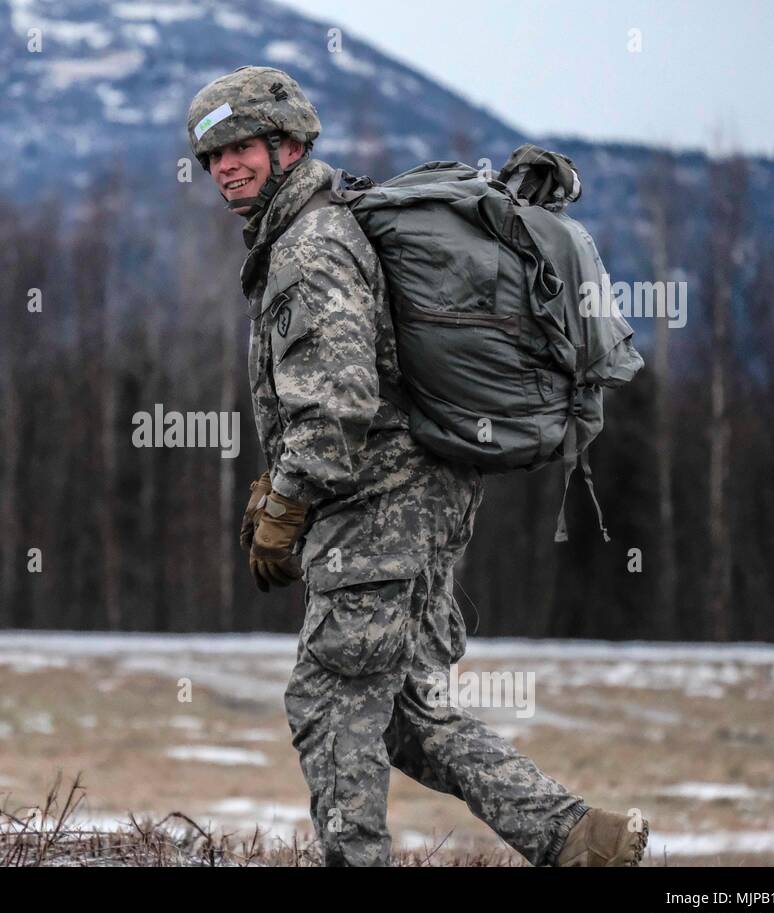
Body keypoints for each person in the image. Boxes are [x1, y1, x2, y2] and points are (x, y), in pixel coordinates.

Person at [185, 65, 649, 867]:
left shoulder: (313, 245)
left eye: (240, 147)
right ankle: (579, 838)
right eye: (210, 157)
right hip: (419, 508)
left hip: (378, 516)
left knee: (330, 703)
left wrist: (283, 506)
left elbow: (336, 409)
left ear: (289, 143)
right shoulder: (319, 230)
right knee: (401, 714)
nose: (226, 167)